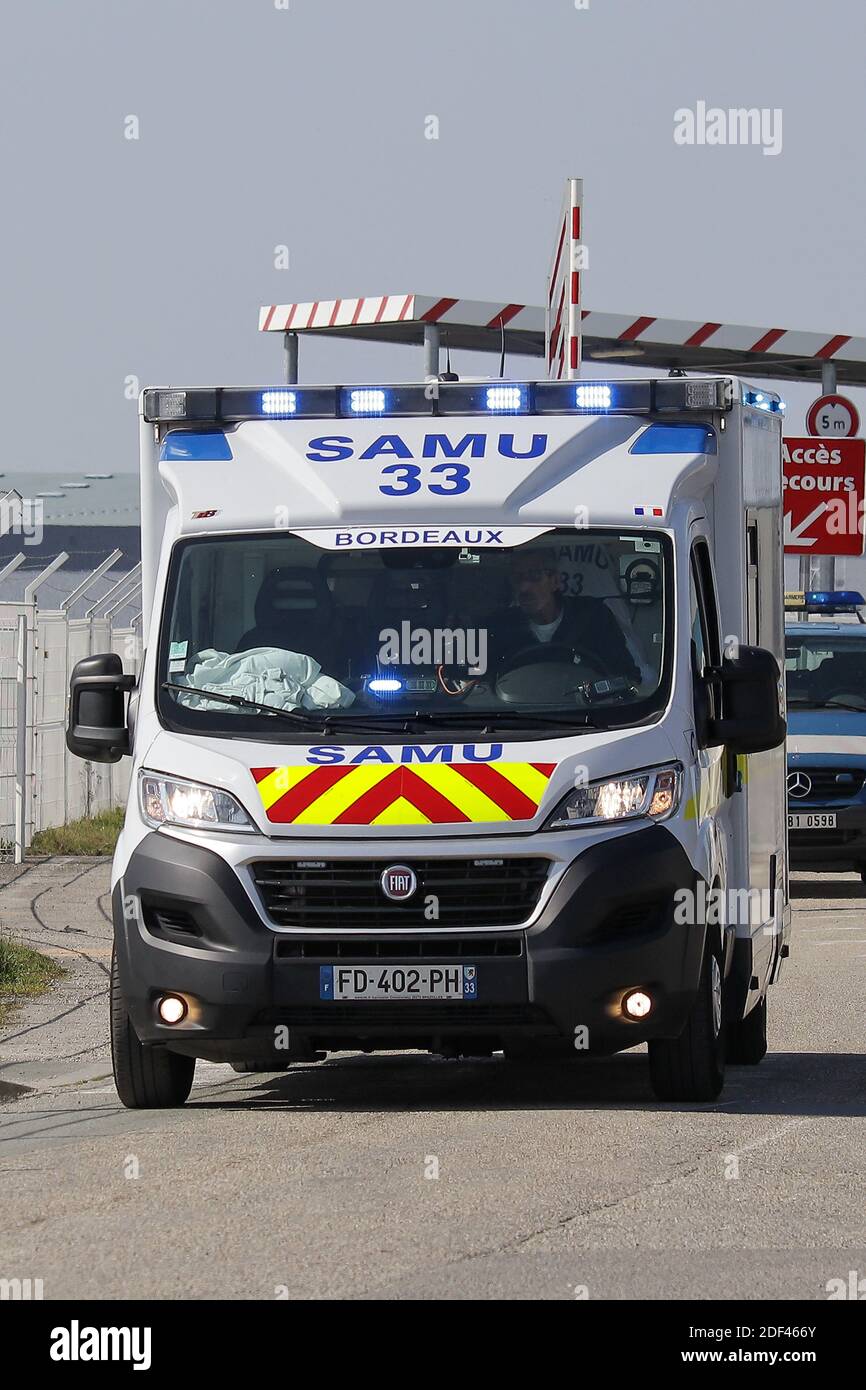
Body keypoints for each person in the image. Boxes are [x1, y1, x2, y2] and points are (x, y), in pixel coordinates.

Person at [488, 545, 640, 684]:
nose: (524, 587)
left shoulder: (593, 617)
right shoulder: (500, 627)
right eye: (517, 578)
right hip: (513, 711)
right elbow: (482, 685)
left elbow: (627, 678)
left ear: (555, 581)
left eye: (534, 576)